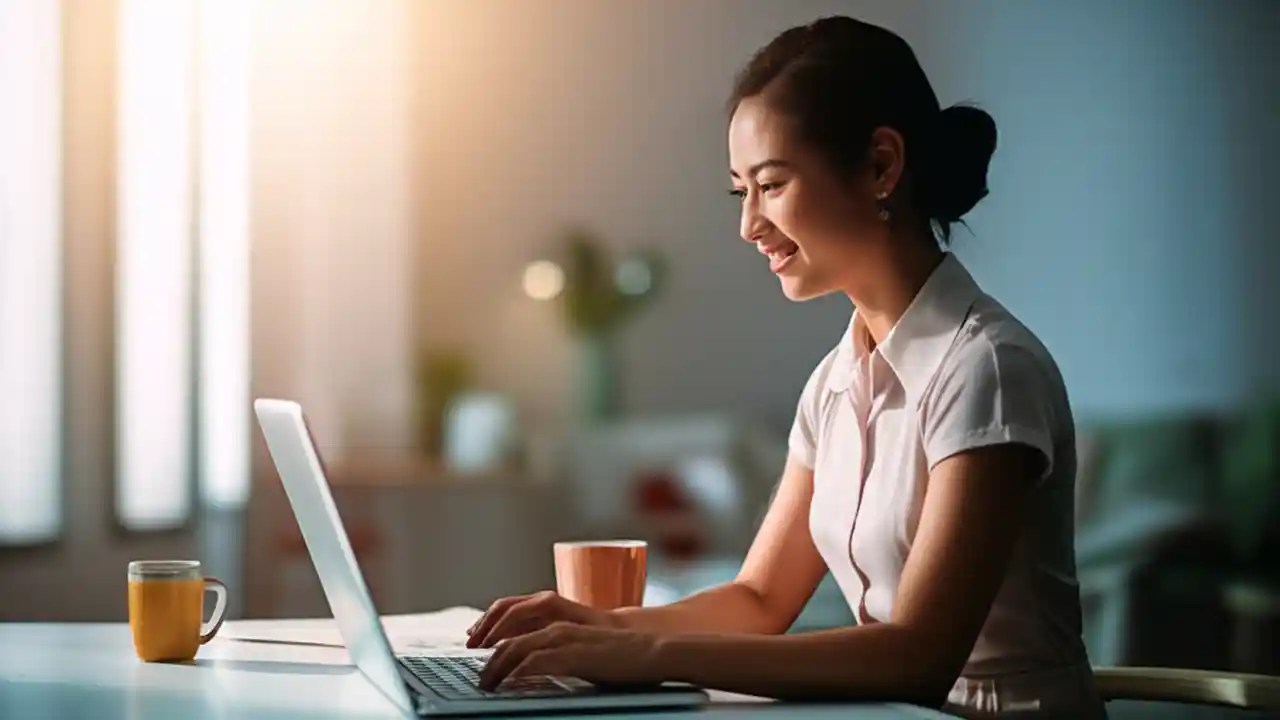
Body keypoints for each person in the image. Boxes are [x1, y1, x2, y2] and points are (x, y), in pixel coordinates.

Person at [467, 16, 1104, 719]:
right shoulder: (836, 380)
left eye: (771, 184)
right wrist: (595, 628)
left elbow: (917, 656)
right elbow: (760, 599)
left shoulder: (985, 368)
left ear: (882, 167)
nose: (749, 225)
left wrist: (645, 655)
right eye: (741, 192)